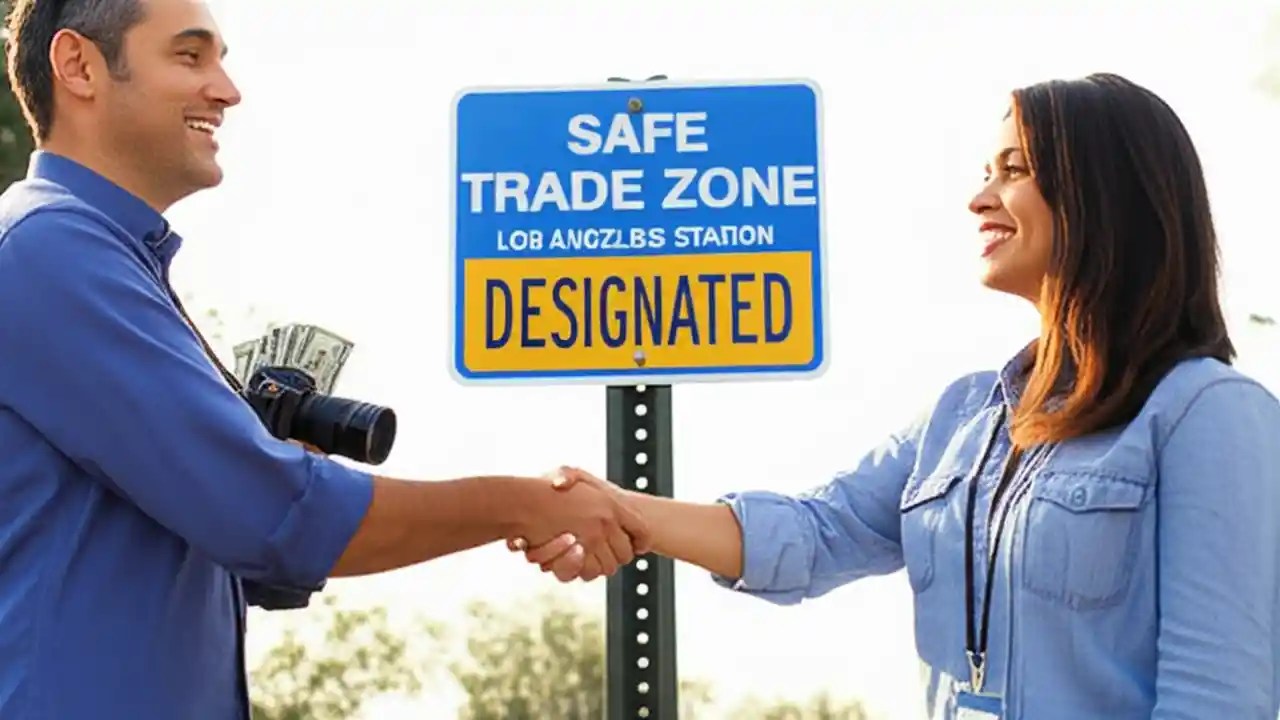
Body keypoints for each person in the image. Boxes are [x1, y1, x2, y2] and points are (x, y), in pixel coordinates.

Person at [514, 73, 1280, 719]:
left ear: (1106, 194)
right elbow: (818, 534)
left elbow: (1217, 699)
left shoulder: (1207, 414)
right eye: (988, 170)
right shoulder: (963, 415)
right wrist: (622, 508)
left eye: (1015, 169)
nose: (981, 198)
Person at [0, 1, 645, 718]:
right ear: (77, 65)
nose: (226, 89)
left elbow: (246, 553)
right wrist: (521, 502)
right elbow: (276, 520)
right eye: (190, 56)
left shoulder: (90, 258)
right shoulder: (48, 250)